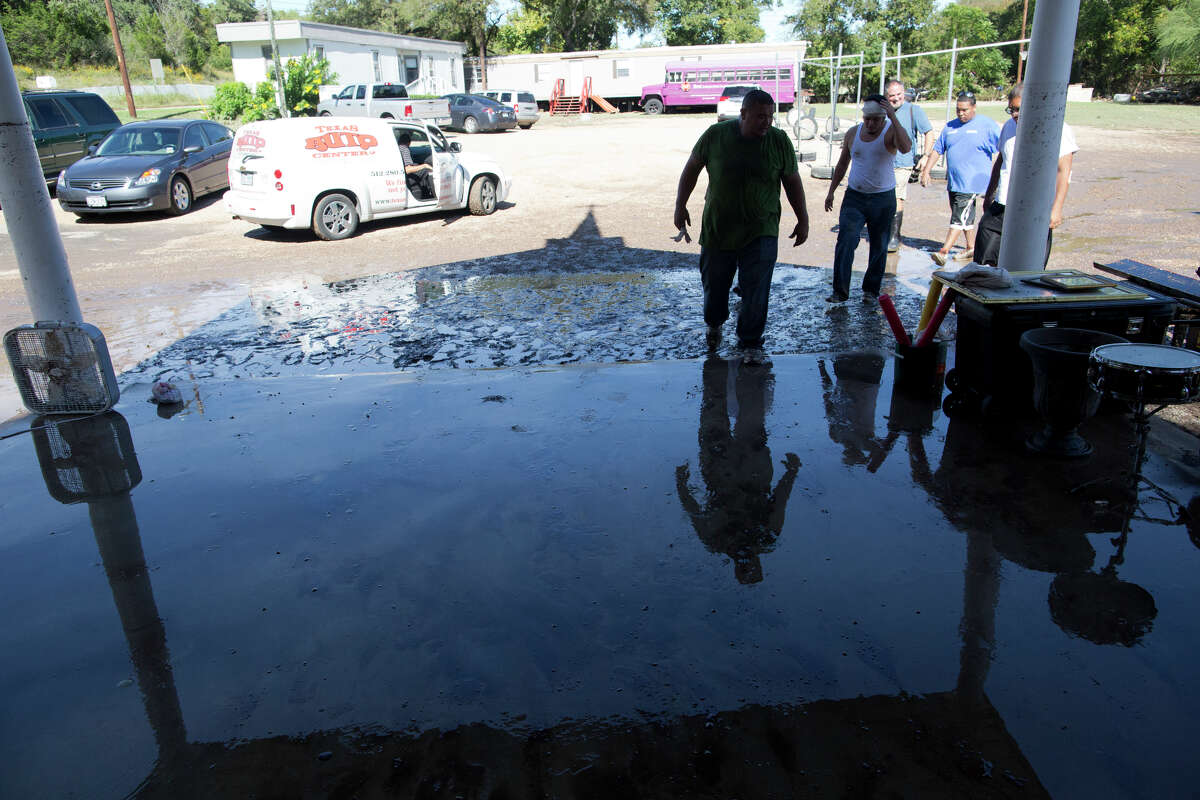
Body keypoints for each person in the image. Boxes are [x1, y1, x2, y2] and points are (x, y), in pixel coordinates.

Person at [674, 88, 809, 366]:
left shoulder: (778, 141)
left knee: (757, 288)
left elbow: (792, 181)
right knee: (715, 290)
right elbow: (691, 168)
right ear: (743, 114)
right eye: (760, 116)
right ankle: (714, 324)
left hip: (762, 228)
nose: (766, 122)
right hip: (718, 229)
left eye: (770, 117)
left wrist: (803, 217)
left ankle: (750, 342)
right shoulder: (716, 135)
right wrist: (680, 205)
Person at [974, 84, 1079, 267]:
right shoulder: (1008, 126)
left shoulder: (1058, 129)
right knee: (983, 263)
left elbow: (1064, 172)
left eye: (1019, 109)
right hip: (1002, 206)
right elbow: (1001, 161)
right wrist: (990, 193)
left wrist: (1056, 209)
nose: (1014, 115)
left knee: (1027, 268)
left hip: (1035, 210)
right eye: (1011, 110)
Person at [823, 94, 912, 304]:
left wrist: (893, 117)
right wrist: (831, 191)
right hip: (854, 197)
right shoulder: (853, 133)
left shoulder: (891, 130)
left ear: (884, 117)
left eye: (876, 119)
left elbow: (906, 148)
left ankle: (870, 290)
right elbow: (843, 163)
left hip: (882, 198)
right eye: (867, 119)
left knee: (879, 246)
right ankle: (840, 291)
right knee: (846, 240)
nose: (871, 124)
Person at [919, 92, 999, 265]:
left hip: (973, 182)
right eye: (958, 110)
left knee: (958, 217)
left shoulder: (987, 125)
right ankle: (971, 247)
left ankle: (944, 250)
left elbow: (1003, 149)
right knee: (964, 217)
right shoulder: (950, 127)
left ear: (974, 108)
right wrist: (926, 171)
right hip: (954, 182)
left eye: (965, 110)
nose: (961, 114)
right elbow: (938, 149)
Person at [884, 80, 934, 252]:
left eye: (899, 94)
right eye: (892, 96)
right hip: (884, 162)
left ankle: (894, 236)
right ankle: (884, 231)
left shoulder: (914, 110)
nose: (896, 98)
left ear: (904, 93)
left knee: (896, 197)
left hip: (902, 163)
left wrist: (926, 156)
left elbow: (929, 132)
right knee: (883, 197)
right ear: (886, 96)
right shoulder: (883, 111)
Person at [395, 131, 436, 199]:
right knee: (426, 171)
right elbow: (407, 170)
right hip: (406, 177)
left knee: (417, 165)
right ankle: (432, 195)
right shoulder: (405, 149)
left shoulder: (397, 148)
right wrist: (424, 165)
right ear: (409, 143)